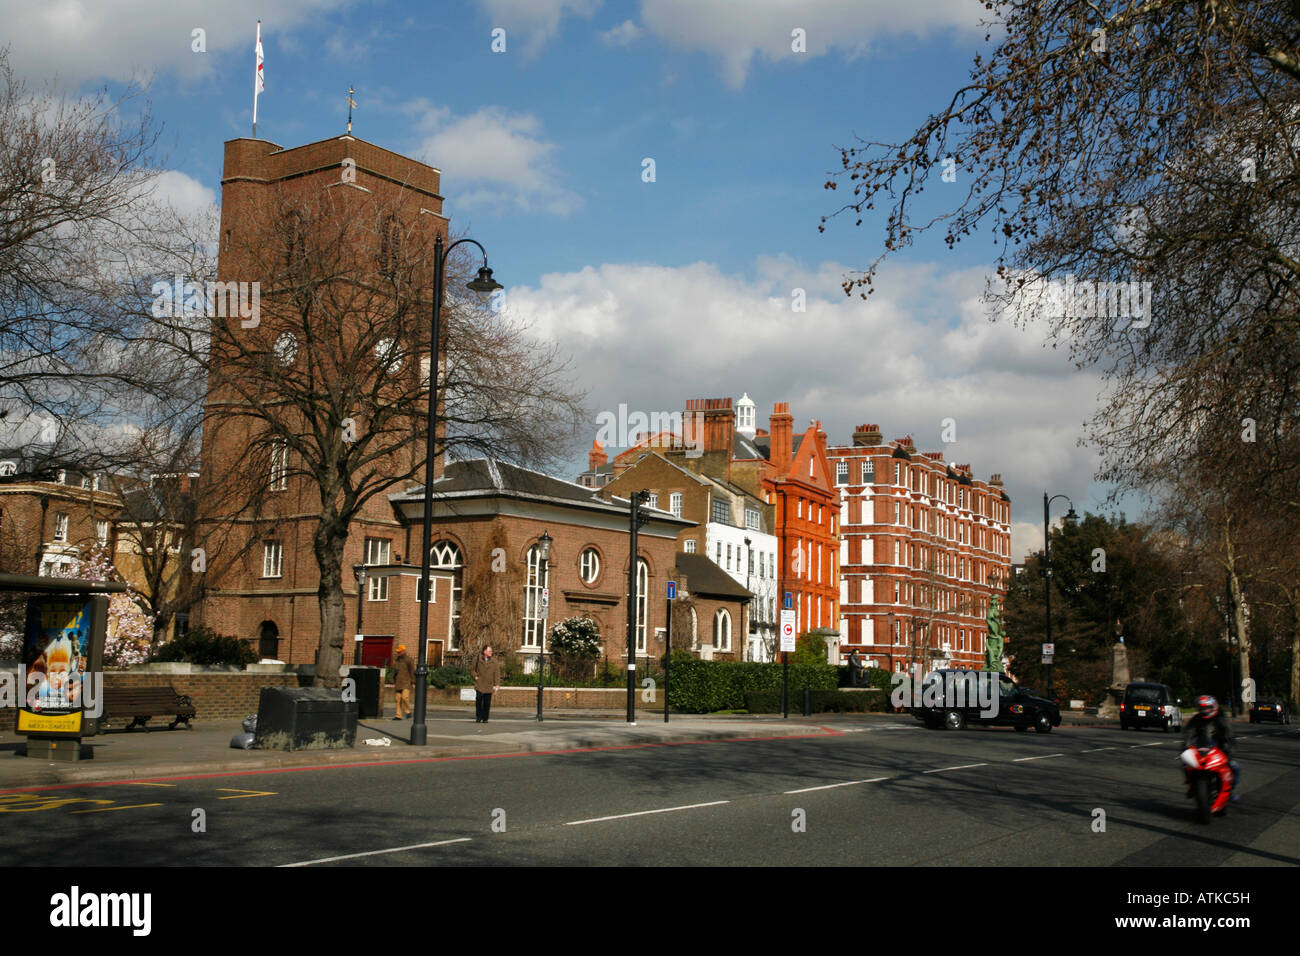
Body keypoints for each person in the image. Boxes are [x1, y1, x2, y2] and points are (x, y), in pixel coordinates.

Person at [1182, 695, 1239, 799]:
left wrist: (1230, 749)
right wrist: (1186, 746)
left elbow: (1229, 734)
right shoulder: (1196, 719)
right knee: (1186, 765)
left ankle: (1231, 789)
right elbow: (1189, 732)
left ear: (1213, 706)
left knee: (1234, 767)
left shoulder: (1220, 718)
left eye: (1207, 708)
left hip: (1219, 748)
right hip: (1201, 748)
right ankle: (1191, 786)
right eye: (1202, 708)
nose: (1205, 710)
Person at [471, 645, 501, 723]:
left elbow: (497, 673)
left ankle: (485, 718)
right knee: (479, 701)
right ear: (485, 651)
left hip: (489, 684)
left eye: (491, 651)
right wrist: (475, 677)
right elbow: (472, 670)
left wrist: (497, 684)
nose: (491, 652)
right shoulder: (477, 659)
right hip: (479, 684)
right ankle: (478, 717)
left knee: (487, 703)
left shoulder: (494, 661)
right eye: (489, 651)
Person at [392, 644, 415, 720]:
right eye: (397, 652)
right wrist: (393, 680)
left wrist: (413, 682)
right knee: (398, 699)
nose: (398, 653)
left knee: (405, 697)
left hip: (406, 682)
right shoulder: (396, 660)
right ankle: (398, 715)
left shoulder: (409, 660)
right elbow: (394, 671)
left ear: (403, 651)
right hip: (398, 682)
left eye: (399, 652)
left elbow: (412, 671)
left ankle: (408, 711)